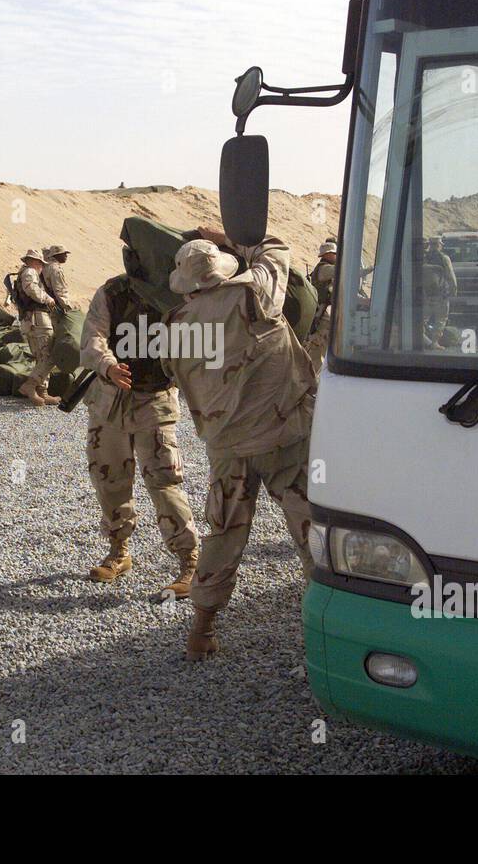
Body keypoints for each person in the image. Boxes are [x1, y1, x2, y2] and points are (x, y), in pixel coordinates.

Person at [161, 228, 318, 661]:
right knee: (310, 530)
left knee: (225, 533)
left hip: (227, 447)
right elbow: (277, 250)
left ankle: (202, 630)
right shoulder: (255, 295)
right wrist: (235, 235)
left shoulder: (174, 326)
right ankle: (326, 634)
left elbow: (180, 380)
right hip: (284, 438)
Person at [80, 271, 199, 599]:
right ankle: (119, 552)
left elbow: (197, 343)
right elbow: (92, 338)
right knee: (109, 479)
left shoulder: (178, 293)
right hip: (109, 403)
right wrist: (108, 366)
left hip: (155, 402)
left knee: (164, 483)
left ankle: (191, 562)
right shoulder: (114, 291)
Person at [14, 249, 61, 406]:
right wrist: (48, 299)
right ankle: (30, 386)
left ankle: (42, 392)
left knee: (40, 356)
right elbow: (31, 289)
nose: (42, 266)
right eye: (41, 263)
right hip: (39, 319)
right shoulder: (29, 272)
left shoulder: (23, 272)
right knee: (49, 355)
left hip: (30, 319)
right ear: (35, 262)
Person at [304, 240, 338, 373]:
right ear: (328, 254)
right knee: (316, 353)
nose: (336, 256)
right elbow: (340, 270)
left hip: (323, 316)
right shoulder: (324, 269)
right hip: (320, 316)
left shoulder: (325, 268)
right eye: (334, 253)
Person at [421, 237, 457, 346]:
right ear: (440, 245)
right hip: (441, 295)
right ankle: (434, 343)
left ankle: (422, 340)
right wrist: (454, 289)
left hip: (426, 295)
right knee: (441, 319)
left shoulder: (423, 258)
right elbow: (451, 276)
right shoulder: (444, 258)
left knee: (422, 319)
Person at [42, 245, 76, 312]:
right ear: (56, 255)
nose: (66, 256)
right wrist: (68, 307)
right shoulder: (56, 269)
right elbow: (60, 291)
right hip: (54, 305)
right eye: (64, 254)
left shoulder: (47, 266)